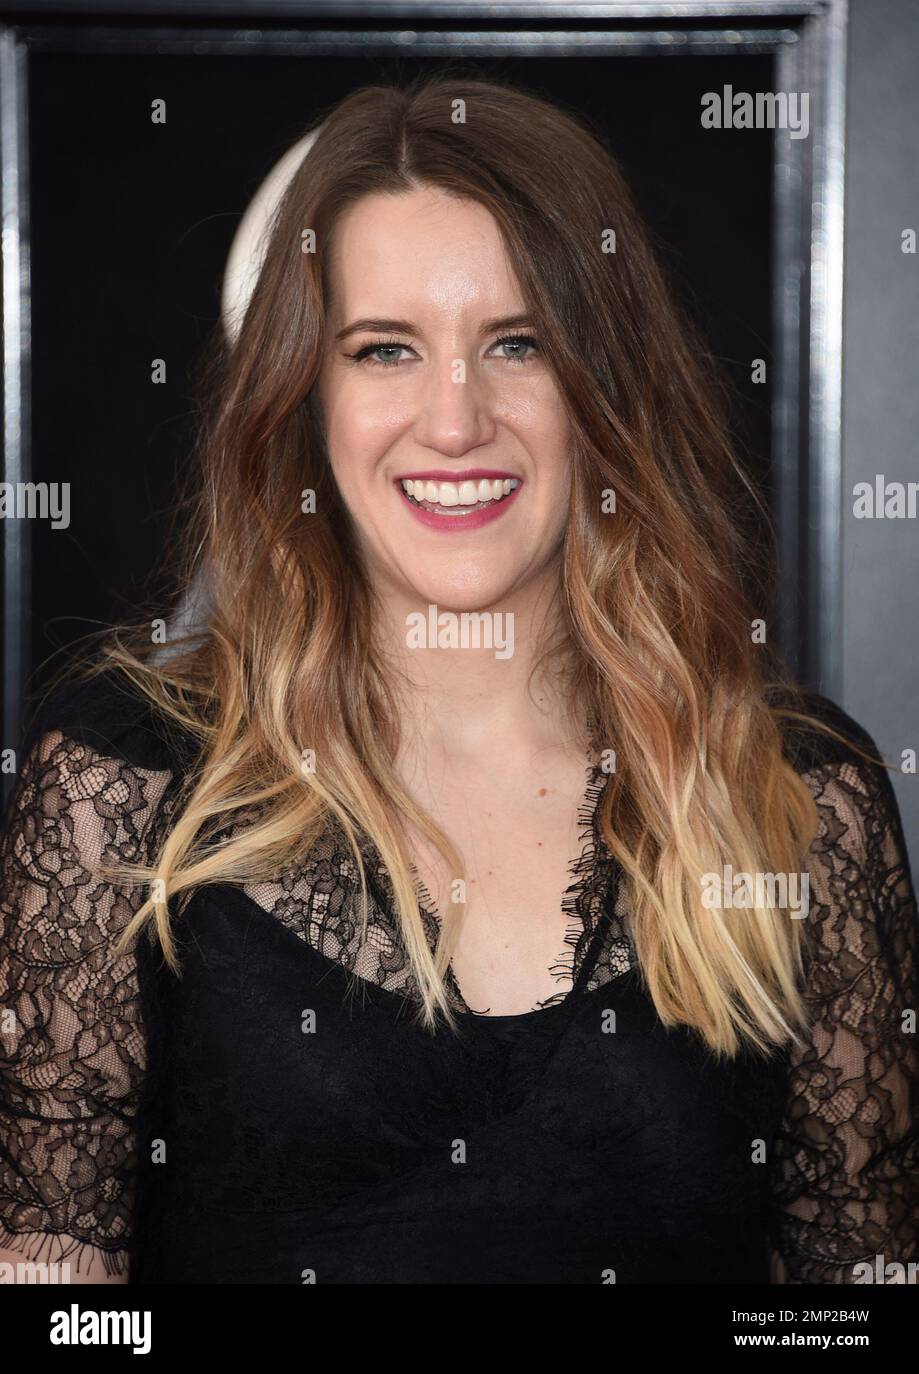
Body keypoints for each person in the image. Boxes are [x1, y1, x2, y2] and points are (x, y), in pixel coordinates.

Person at [1, 73, 917, 1285]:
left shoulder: (804, 798)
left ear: (605, 391)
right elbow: (58, 1307)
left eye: (517, 345)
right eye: (385, 350)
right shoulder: (121, 784)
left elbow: (852, 1303)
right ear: (304, 399)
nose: (454, 418)